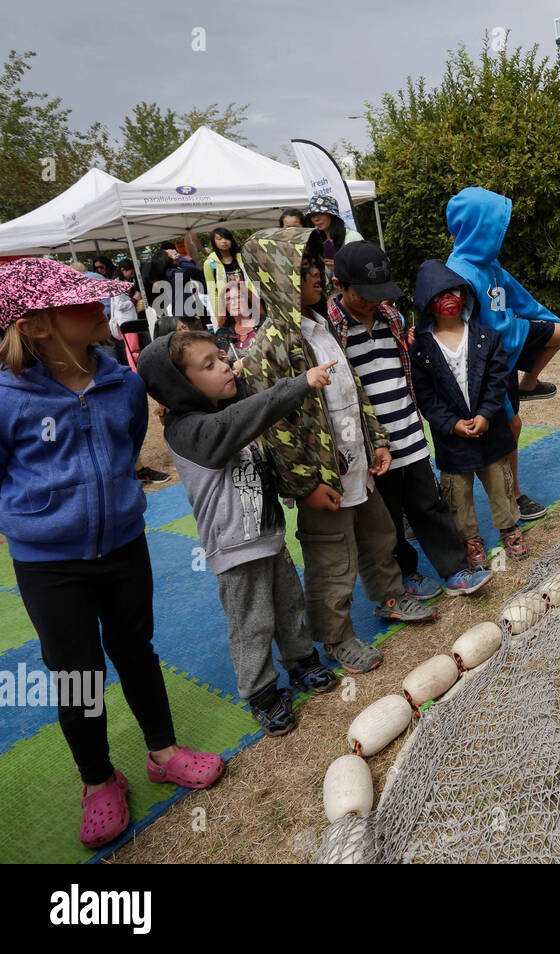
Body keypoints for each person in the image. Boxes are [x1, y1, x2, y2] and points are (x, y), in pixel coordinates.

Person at [0, 258, 225, 849]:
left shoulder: (123, 384)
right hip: (50, 565)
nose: (103, 304)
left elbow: (126, 446)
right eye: (81, 300)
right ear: (38, 325)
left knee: (136, 649)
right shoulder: (6, 396)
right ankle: (98, 781)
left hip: (124, 546)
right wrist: (44, 518)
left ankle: (163, 751)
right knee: (76, 673)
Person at [239, 227, 433, 675]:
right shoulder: (270, 348)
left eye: (314, 267)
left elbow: (355, 389)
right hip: (322, 482)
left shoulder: (322, 327)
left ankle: (389, 596)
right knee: (331, 560)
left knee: (379, 534)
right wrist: (306, 485)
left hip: (357, 465)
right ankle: (336, 637)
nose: (314, 277)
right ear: (276, 278)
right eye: (302, 270)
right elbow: (275, 430)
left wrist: (377, 441)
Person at [137, 330, 340, 736]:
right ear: (179, 385)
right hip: (233, 547)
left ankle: (300, 659)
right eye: (208, 365)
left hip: (267, 536)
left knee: (287, 604)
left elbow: (244, 395)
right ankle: (261, 690)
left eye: (221, 357)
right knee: (251, 622)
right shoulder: (187, 430)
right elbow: (242, 417)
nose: (225, 365)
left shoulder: (220, 407)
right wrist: (298, 384)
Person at [327, 241, 493, 596]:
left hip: (409, 431)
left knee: (429, 504)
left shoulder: (390, 318)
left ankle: (455, 570)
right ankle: (406, 574)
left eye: (379, 293)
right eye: (363, 294)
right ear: (339, 284)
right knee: (387, 518)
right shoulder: (330, 330)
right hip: (370, 442)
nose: (373, 301)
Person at [444, 187, 560, 523]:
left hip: (509, 345)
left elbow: (520, 298)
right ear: (477, 227)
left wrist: (551, 320)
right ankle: (510, 499)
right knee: (508, 426)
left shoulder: (491, 264)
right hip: (488, 365)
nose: (501, 234)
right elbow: (466, 343)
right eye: (494, 226)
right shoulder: (459, 275)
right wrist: (491, 394)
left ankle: (528, 385)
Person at [410, 258, 527, 566]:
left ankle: (509, 528)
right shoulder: (421, 349)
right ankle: (470, 540)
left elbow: (498, 380)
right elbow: (425, 396)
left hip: (491, 431)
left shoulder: (487, 338)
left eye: (453, 292)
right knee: (457, 494)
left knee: (499, 483)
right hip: (452, 439)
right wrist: (451, 424)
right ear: (428, 305)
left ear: (464, 296)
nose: (448, 299)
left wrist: (487, 414)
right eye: (439, 295)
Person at [148, 245, 205, 332]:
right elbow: (191, 268)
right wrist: (179, 257)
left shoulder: (170, 273)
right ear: (166, 260)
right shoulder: (171, 274)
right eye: (170, 255)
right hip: (186, 313)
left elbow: (196, 272)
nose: (174, 255)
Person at [305, 194, 362, 273]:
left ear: (332, 215)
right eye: (312, 215)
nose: (316, 219)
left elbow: (364, 269)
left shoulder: (353, 237)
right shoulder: (318, 243)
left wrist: (340, 269)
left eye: (320, 213)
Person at [202, 227, 246, 323]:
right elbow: (212, 290)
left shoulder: (241, 258)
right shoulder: (210, 264)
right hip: (228, 307)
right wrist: (218, 314)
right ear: (214, 242)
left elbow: (251, 282)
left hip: (246, 302)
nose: (224, 241)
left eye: (227, 238)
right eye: (219, 239)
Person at [213, 281, 259, 360]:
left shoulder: (264, 323)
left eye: (237, 297)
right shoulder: (222, 333)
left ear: (248, 300)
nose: (233, 303)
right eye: (228, 299)